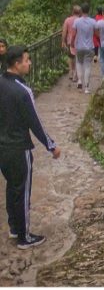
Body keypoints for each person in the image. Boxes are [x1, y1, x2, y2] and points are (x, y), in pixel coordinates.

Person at [0, 45, 61, 249]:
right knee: (23, 190)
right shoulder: (22, 91)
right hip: (18, 148)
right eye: (27, 60)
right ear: (17, 64)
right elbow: (35, 122)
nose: (29, 63)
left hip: (3, 147)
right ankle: (25, 237)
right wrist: (51, 145)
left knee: (12, 187)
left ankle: (14, 227)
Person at [72, 3, 97, 93]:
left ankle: (79, 80)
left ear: (81, 11)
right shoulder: (93, 21)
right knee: (87, 66)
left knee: (78, 63)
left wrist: (72, 43)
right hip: (90, 47)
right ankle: (86, 87)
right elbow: (96, 33)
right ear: (89, 10)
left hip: (79, 46)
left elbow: (74, 34)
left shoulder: (77, 21)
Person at [62, 5, 81, 83]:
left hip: (70, 41)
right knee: (77, 58)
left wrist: (63, 41)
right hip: (79, 42)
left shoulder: (67, 20)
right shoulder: (80, 20)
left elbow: (64, 31)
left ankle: (71, 72)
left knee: (70, 57)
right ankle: (75, 74)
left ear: (72, 11)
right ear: (79, 12)